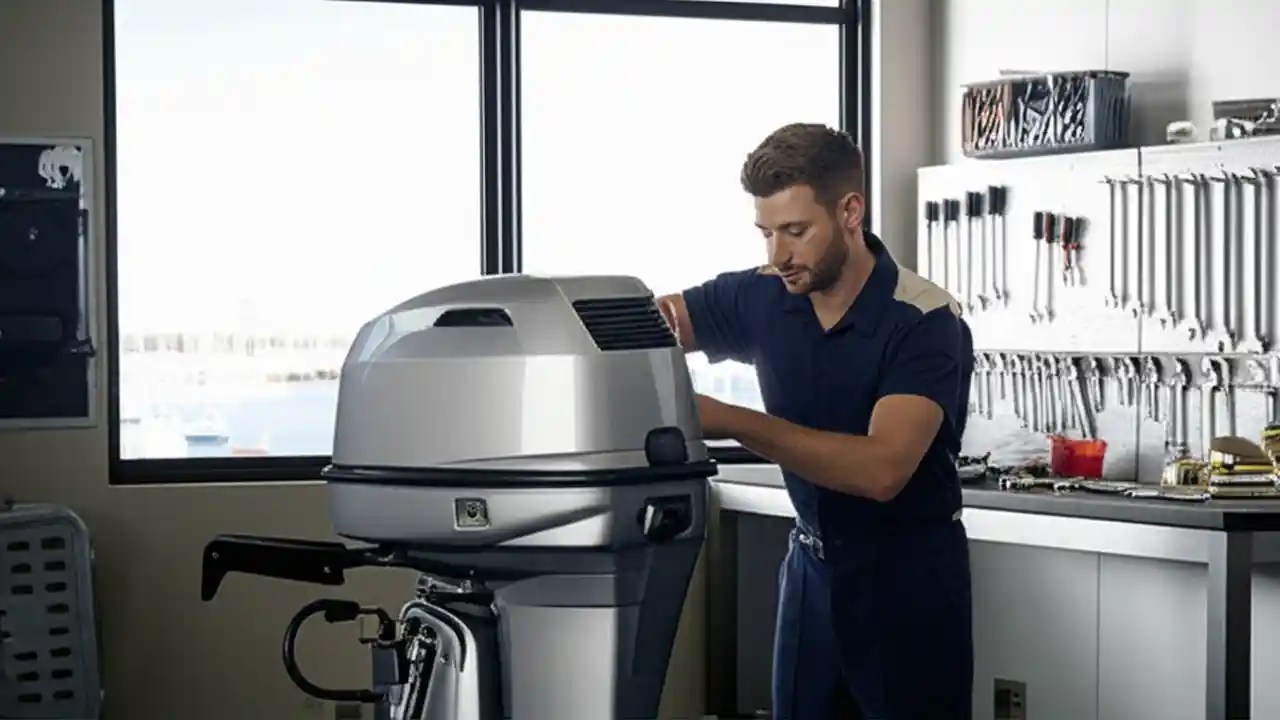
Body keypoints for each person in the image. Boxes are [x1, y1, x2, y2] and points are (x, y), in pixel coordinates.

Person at [657, 123, 975, 719]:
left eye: (796, 232)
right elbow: (650, 328)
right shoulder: (762, 295)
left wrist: (728, 420)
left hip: (910, 585)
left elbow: (882, 469)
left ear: (850, 211)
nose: (777, 255)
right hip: (812, 575)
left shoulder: (924, 320)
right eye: (766, 233)